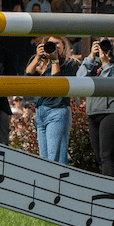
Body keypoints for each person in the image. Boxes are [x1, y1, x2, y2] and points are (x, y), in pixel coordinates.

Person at [77, 37, 114, 177]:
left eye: (112, 41)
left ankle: (112, 189)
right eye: (105, 41)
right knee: (100, 158)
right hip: (94, 112)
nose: (109, 45)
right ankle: (111, 186)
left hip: (112, 112)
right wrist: (90, 57)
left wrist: (106, 64)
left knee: (106, 157)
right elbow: (79, 80)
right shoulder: (93, 62)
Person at [25, 35, 79, 163]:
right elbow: (27, 76)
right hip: (40, 112)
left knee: (55, 158)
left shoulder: (69, 63)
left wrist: (55, 60)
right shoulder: (42, 64)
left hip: (57, 110)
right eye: (50, 43)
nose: (54, 46)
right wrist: (37, 57)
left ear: (64, 45)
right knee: (44, 160)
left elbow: (56, 84)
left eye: (57, 43)